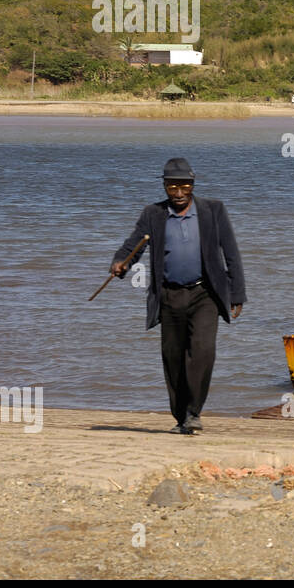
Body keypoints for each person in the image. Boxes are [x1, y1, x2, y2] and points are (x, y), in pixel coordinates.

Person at [110, 157, 246, 434]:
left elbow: (231, 253)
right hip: (169, 296)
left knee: (202, 352)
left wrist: (237, 293)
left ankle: (194, 413)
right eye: (173, 188)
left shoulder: (213, 210)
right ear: (164, 186)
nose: (179, 193)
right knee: (173, 358)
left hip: (204, 293)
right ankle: (180, 416)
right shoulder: (153, 214)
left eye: (185, 186)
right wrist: (120, 262)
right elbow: (132, 246)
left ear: (193, 185)